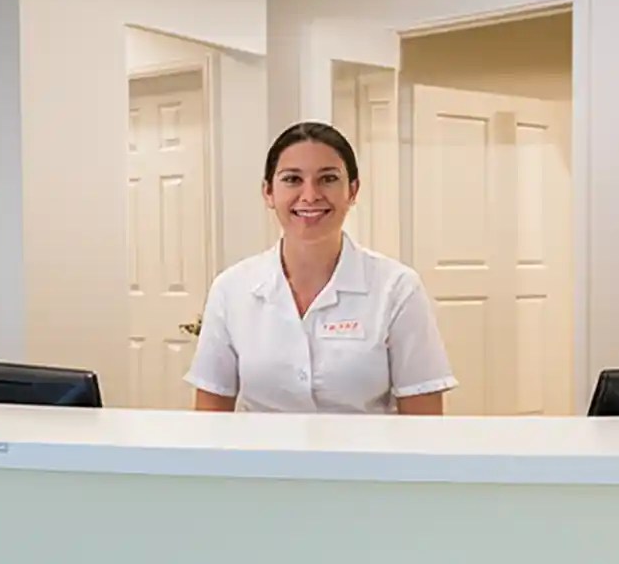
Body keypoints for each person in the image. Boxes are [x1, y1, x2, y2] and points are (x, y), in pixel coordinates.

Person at [184, 121, 457, 414]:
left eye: (328, 179)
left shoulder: (397, 288)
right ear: (268, 192)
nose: (310, 195)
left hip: (364, 459)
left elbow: (423, 417)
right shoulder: (231, 289)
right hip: (263, 459)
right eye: (292, 179)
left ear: (352, 191)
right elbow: (211, 413)